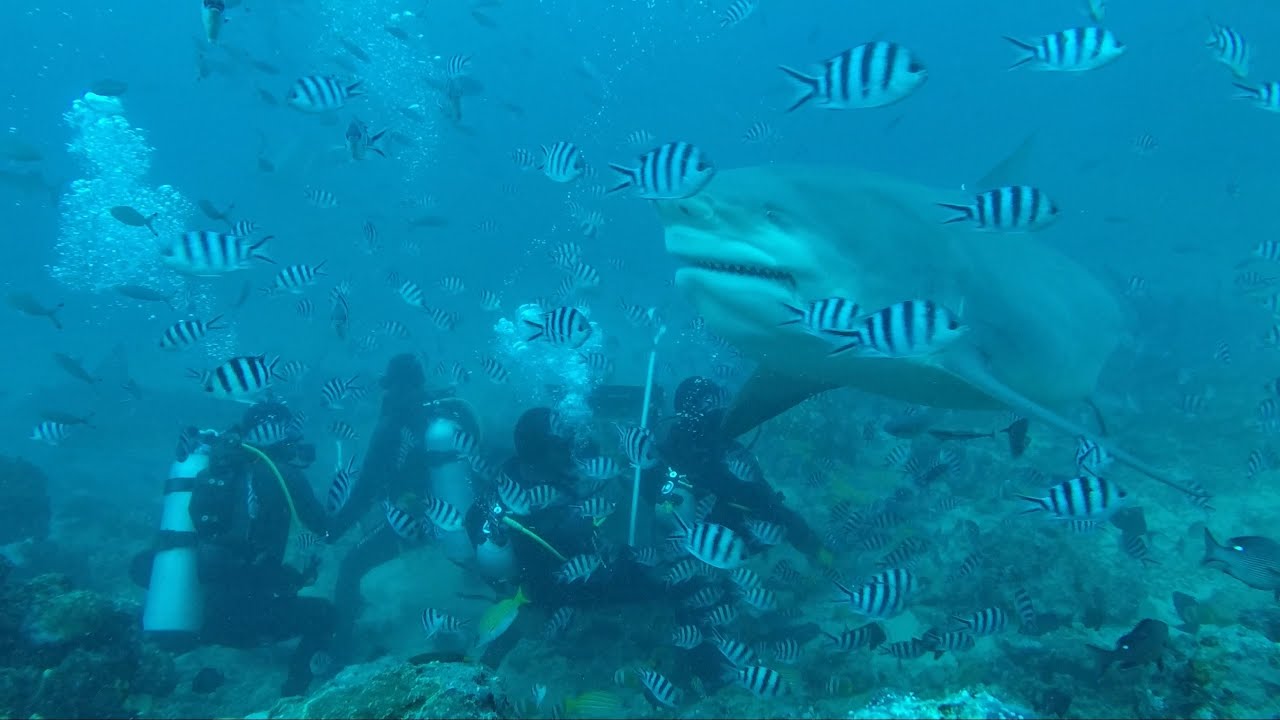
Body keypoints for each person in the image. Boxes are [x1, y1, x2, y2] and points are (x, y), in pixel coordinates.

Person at [131, 401, 334, 697]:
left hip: (192, 617)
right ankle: (296, 696)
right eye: (290, 432)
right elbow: (325, 527)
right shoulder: (283, 474)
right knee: (326, 615)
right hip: (239, 621)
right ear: (279, 434)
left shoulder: (215, 474)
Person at [327, 353, 475, 659]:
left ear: (395, 385)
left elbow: (366, 486)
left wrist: (332, 531)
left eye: (389, 386)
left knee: (351, 566)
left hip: (417, 518)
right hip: (459, 515)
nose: (386, 394)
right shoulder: (443, 411)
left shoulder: (392, 424)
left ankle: (338, 651)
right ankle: (468, 625)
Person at [659, 375, 824, 557]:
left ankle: (820, 556)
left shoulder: (682, 439)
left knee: (778, 521)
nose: (718, 408)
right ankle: (821, 557)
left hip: (723, 520)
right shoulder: (691, 439)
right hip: (723, 519)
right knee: (783, 521)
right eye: (710, 402)